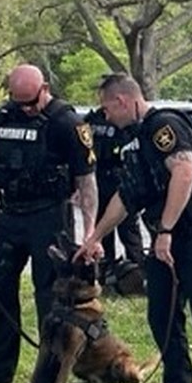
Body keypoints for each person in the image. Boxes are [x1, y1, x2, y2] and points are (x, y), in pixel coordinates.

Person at [77, 73, 192, 383]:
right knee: (161, 314)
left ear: (122, 101)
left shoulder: (164, 125)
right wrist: (95, 236)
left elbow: (185, 172)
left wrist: (165, 231)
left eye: (107, 108)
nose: (105, 117)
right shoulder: (134, 139)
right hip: (165, 240)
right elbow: (126, 195)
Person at [0, 64, 98, 383]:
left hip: (50, 217)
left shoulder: (66, 123)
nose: (24, 109)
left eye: (30, 102)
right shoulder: (3, 118)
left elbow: (86, 181)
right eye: (18, 102)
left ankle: (48, 377)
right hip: (10, 214)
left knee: (51, 297)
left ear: (45, 88)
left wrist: (89, 232)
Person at [85, 107, 146, 268]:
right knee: (103, 226)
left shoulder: (123, 119)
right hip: (98, 177)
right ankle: (105, 268)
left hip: (120, 175)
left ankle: (137, 268)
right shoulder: (92, 119)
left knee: (128, 226)